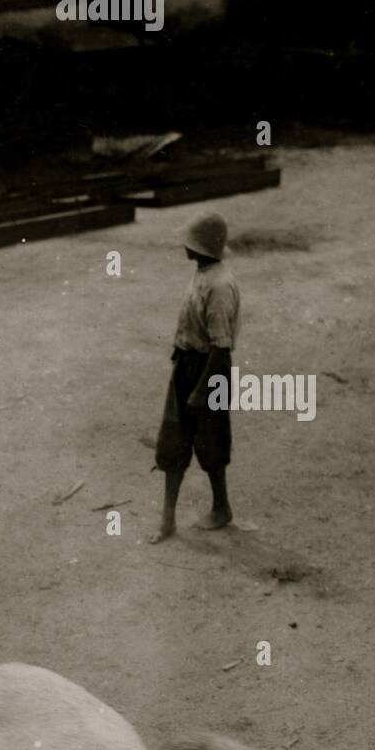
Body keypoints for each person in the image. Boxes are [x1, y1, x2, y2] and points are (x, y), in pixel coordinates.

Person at [149, 212, 239, 544]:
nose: (184, 247)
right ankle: (167, 519)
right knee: (173, 438)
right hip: (187, 364)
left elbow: (221, 346)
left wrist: (202, 391)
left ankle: (221, 506)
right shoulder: (201, 273)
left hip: (211, 368)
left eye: (189, 242)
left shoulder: (219, 286)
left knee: (211, 440)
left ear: (200, 248)